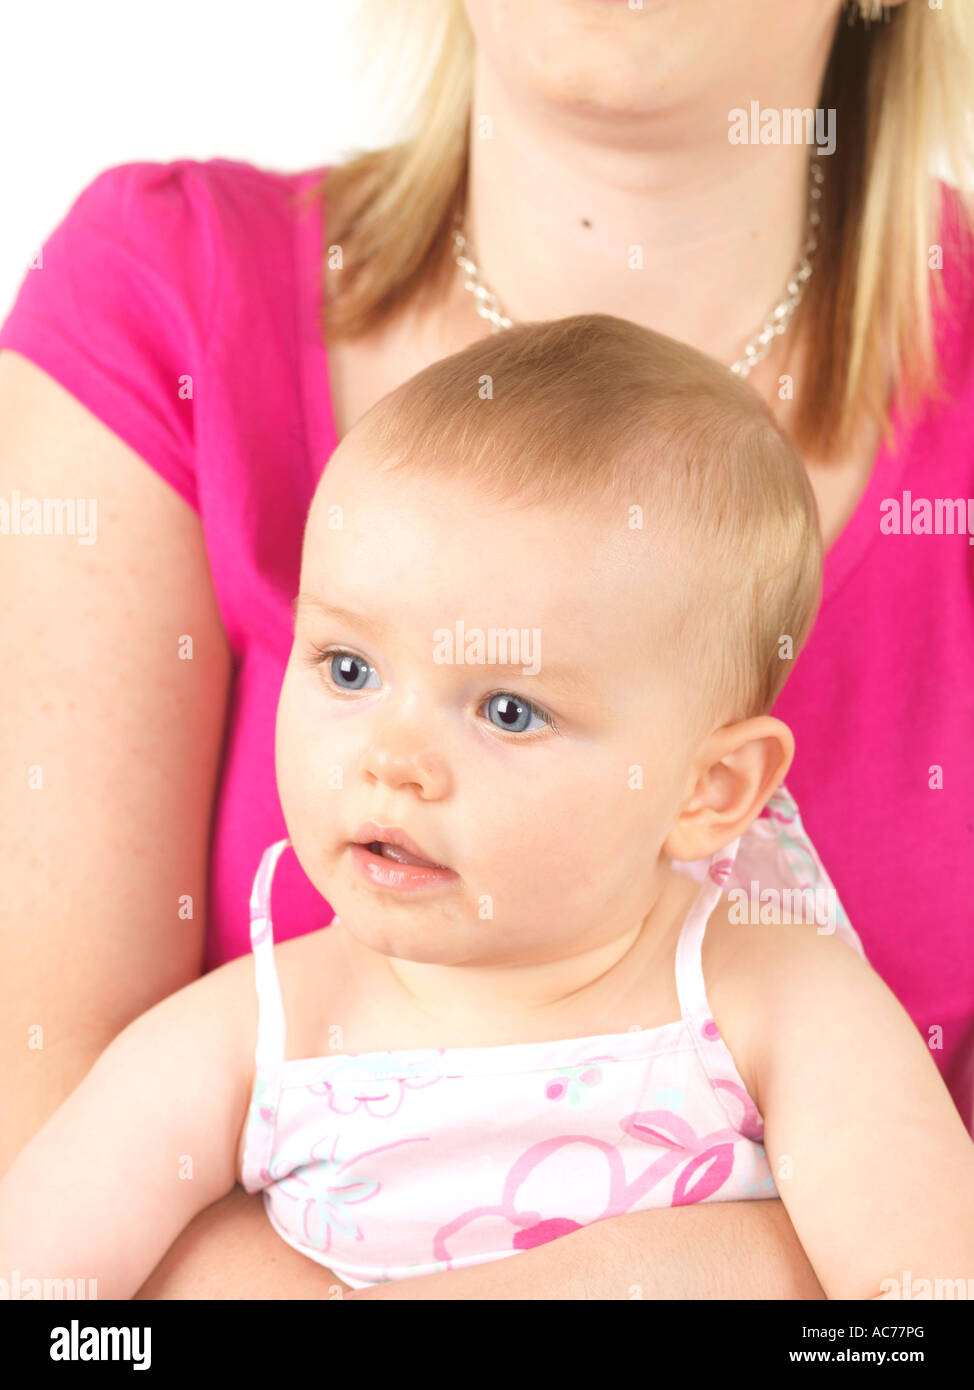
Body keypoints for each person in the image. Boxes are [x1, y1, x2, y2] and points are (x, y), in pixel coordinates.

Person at [1, 0, 972, 1299]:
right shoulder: (269, 1025)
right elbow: (41, 1234)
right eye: (345, 669)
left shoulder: (774, 998)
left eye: (509, 709)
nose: (396, 758)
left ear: (715, 791)